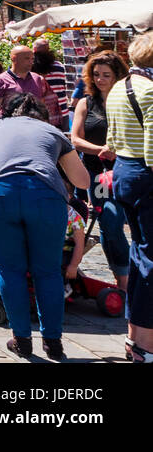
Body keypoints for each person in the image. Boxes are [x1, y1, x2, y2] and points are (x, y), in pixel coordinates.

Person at [0, 93, 89, 359]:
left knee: (10, 268)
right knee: (48, 271)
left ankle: (21, 339)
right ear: (42, 115)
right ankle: (53, 342)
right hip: (44, 196)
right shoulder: (53, 133)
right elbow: (83, 181)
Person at [103, 31, 153, 363]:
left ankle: (134, 336)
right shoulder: (151, 92)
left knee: (140, 253)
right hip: (146, 175)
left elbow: (111, 138)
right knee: (150, 260)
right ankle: (146, 344)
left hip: (123, 172)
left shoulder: (119, 87)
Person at [70, 51, 131, 293]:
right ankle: (124, 281)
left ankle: (124, 276)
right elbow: (75, 139)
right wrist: (101, 150)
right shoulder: (86, 103)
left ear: (118, 76)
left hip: (126, 171)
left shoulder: (128, 101)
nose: (100, 79)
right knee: (109, 220)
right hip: (97, 173)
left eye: (106, 75)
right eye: (96, 75)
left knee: (115, 224)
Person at [0, 45, 57, 124]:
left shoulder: (37, 79)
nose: (31, 62)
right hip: (11, 127)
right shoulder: (0, 80)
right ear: (14, 58)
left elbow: (42, 105)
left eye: (32, 59)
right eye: (27, 58)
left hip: (35, 127)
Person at [33, 38, 70, 129]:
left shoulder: (31, 69)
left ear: (34, 50)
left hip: (40, 113)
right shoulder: (59, 66)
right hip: (61, 111)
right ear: (49, 50)